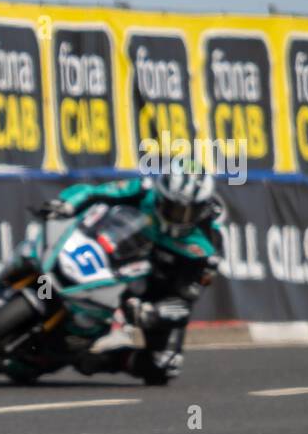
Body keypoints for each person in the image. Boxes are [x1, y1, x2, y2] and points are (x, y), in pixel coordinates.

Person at [38, 157, 223, 384]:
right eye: (172, 207)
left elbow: (186, 300)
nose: (177, 216)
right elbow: (97, 193)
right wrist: (67, 204)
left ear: (201, 209)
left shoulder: (207, 246)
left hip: (158, 289)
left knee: (164, 365)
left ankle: (100, 357)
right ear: (161, 194)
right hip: (115, 253)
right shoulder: (145, 190)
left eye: (186, 212)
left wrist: (153, 313)